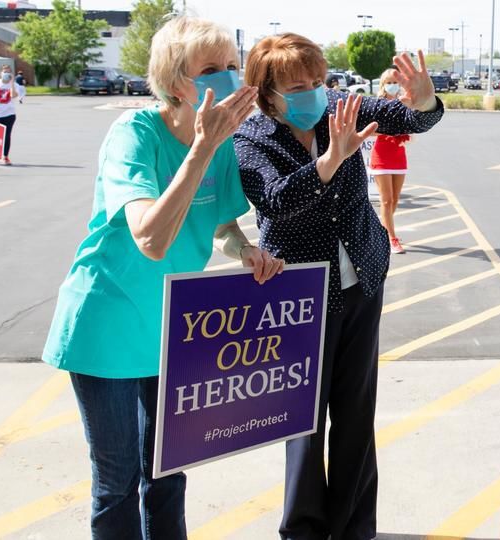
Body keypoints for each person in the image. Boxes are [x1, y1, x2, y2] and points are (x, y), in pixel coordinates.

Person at [41, 17, 283, 538]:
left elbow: (221, 223)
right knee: (117, 481)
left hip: (172, 329)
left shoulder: (223, 145)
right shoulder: (135, 135)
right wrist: (200, 149)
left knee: (169, 472)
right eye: (210, 70)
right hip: (107, 326)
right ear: (177, 83)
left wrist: (246, 250)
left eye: (231, 68)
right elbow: (150, 239)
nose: (227, 78)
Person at [237, 34, 443, 540]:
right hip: (298, 291)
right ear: (267, 93)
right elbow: (275, 201)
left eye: (316, 80)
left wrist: (423, 99)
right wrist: (329, 160)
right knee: (302, 417)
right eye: (295, 86)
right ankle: (304, 528)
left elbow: (412, 119)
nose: (312, 92)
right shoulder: (251, 138)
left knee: (355, 410)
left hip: (362, 277)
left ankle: (354, 527)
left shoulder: (338, 106)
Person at [369, 67, 412, 254]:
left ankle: (383, 229)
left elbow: (411, 123)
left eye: (395, 82)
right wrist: (390, 131)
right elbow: (370, 129)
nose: (392, 86)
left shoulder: (404, 103)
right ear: (383, 85)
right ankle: (391, 239)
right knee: (386, 201)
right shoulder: (377, 104)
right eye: (389, 82)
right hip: (381, 155)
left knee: (394, 199)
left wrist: (405, 132)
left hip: (398, 155)